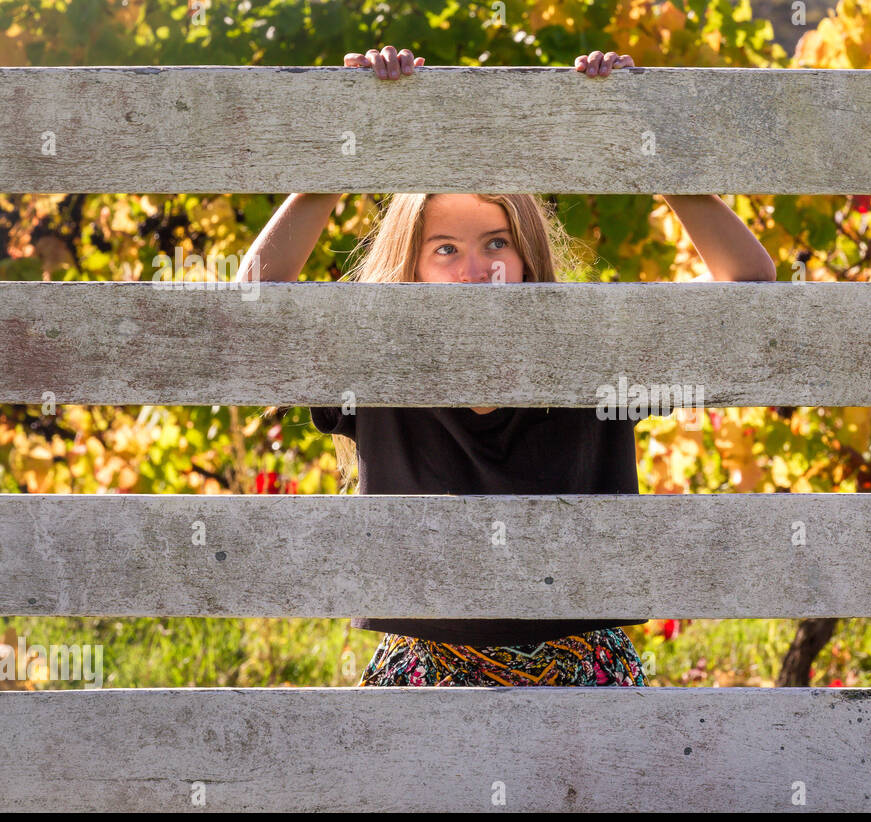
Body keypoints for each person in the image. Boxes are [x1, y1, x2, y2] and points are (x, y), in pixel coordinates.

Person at [240, 46, 777, 688]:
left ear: (526, 256)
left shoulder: (594, 348)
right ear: (410, 267)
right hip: (426, 674)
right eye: (445, 249)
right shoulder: (373, 354)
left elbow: (749, 282)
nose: (476, 269)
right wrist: (344, 150)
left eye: (497, 243)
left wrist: (646, 146)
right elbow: (257, 305)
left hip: (582, 668)